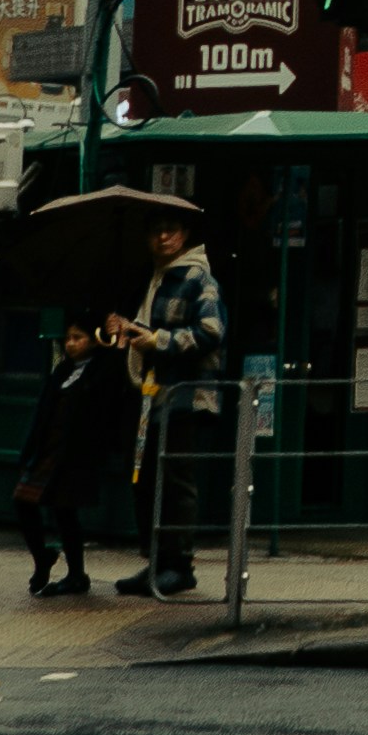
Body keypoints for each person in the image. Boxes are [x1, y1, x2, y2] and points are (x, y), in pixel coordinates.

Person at [105, 215, 227, 598]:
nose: (162, 237)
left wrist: (157, 341)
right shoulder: (151, 278)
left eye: (170, 229)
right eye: (155, 230)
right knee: (145, 477)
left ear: (185, 235)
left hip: (183, 397)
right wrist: (120, 328)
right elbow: (141, 332)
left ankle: (180, 565)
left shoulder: (197, 278)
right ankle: (157, 562)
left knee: (175, 479)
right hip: (148, 397)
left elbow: (212, 332)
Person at [11, 313, 123, 597]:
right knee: (24, 500)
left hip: (75, 454)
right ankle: (43, 558)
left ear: (93, 340)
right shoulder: (62, 370)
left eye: (78, 338)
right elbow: (42, 413)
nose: (71, 344)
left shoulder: (100, 370)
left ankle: (76, 574)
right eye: (68, 338)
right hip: (49, 450)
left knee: (65, 511)